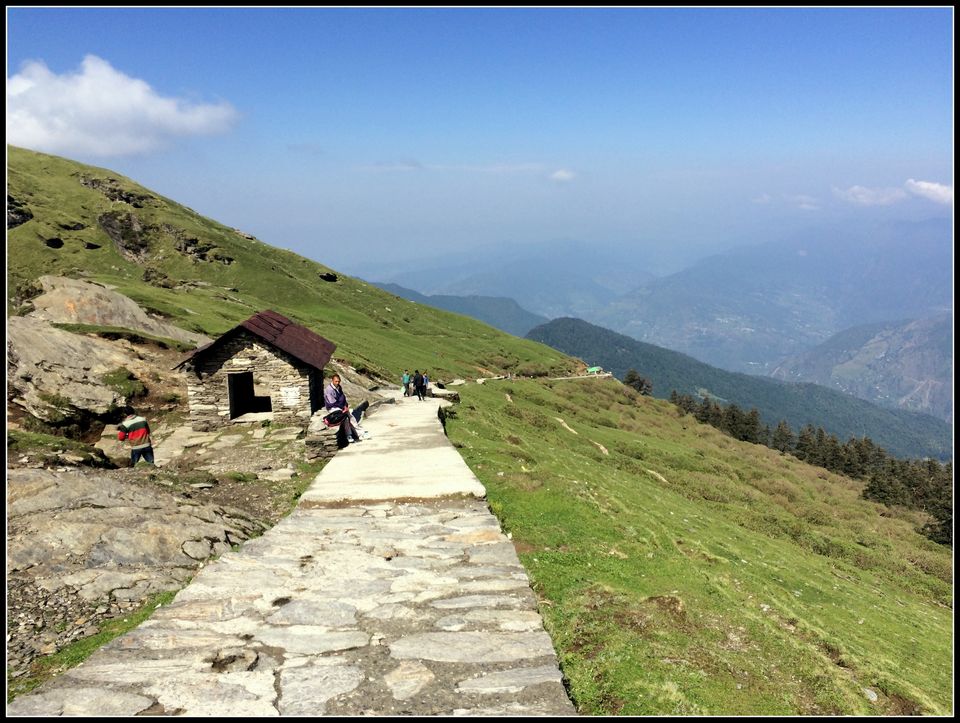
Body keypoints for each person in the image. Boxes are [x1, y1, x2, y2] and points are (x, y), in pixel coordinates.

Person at [324, 373, 366, 442]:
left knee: (351, 417)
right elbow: (332, 403)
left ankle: (360, 433)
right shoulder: (329, 390)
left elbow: (343, 398)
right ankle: (349, 435)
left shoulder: (339, 387)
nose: (337, 383)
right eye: (336, 381)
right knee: (345, 418)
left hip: (341, 407)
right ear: (332, 380)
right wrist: (342, 409)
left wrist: (345, 406)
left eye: (338, 381)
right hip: (333, 408)